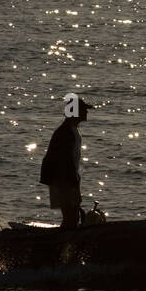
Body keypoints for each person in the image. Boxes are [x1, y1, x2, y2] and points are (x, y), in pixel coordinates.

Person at [39, 98, 92, 229]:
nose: (86, 112)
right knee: (70, 217)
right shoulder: (66, 132)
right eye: (84, 110)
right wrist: (73, 180)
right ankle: (63, 243)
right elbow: (64, 159)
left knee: (72, 216)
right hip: (62, 177)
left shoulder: (71, 130)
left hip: (65, 176)